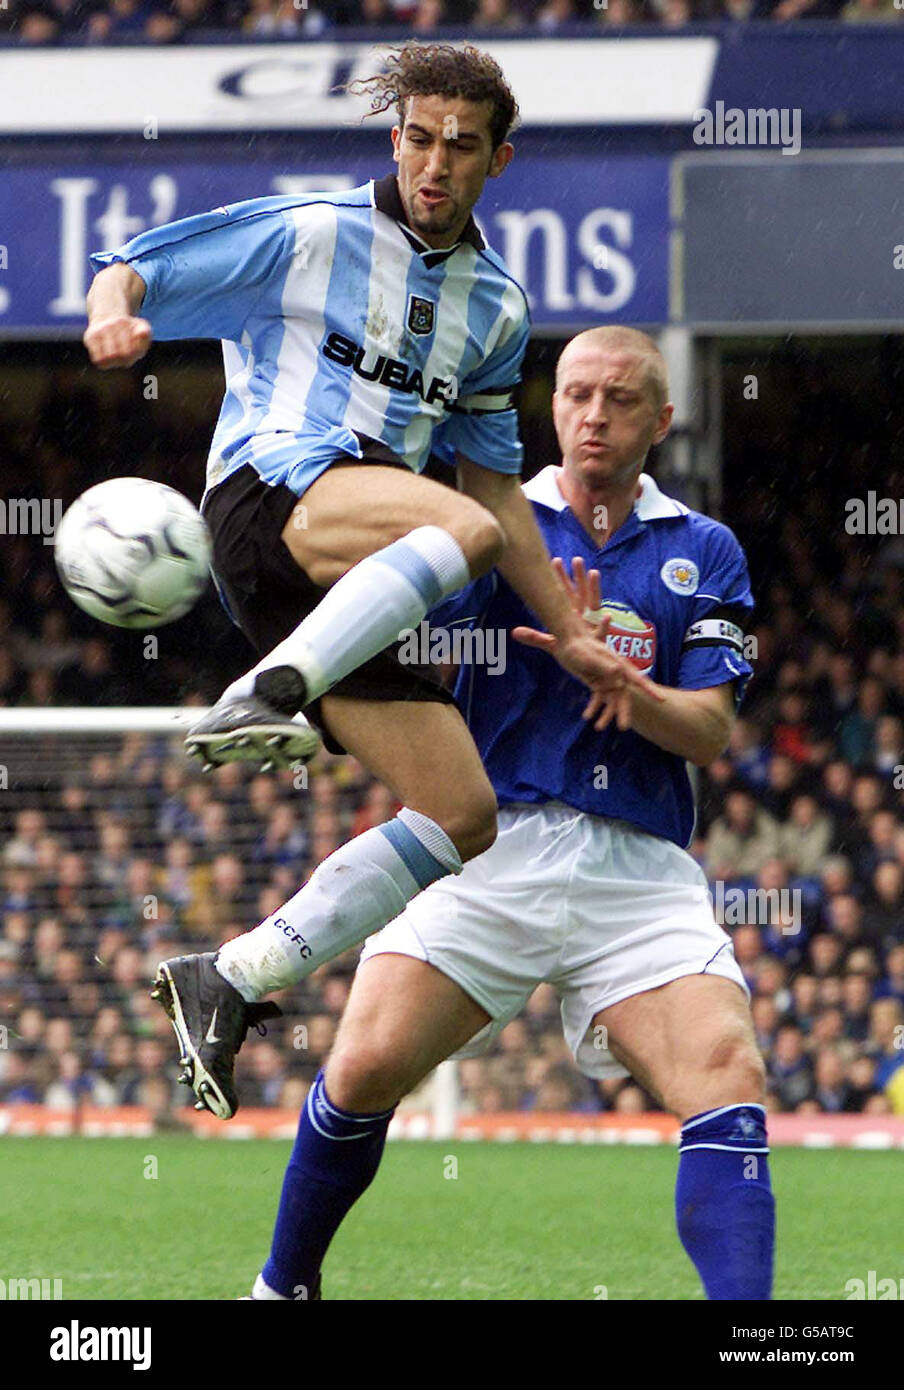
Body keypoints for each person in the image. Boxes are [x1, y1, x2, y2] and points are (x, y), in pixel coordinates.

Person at [82, 43, 652, 1119]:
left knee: (463, 810)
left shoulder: (495, 308)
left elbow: (492, 494)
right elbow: (136, 262)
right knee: (448, 528)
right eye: (419, 139)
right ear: (395, 140)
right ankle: (274, 692)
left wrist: (571, 634)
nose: (436, 163)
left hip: (356, 578)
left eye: (462, 146)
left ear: (499, 158)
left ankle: (231, 978)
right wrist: (115, 309)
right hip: (268, 502)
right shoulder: (310, 233)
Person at [241, 326, 775, 1303]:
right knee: (358, 1066)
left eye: (619, 399)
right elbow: (411, 662)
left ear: (661, 418)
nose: (594, 414)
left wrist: (625, 685)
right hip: (488, 853)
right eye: (576, 394)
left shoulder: (703, 548)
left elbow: (708, 733)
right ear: (552, 407)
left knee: (726, 1069)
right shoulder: (486, 530)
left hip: (637, 875)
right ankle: (282, 1288)